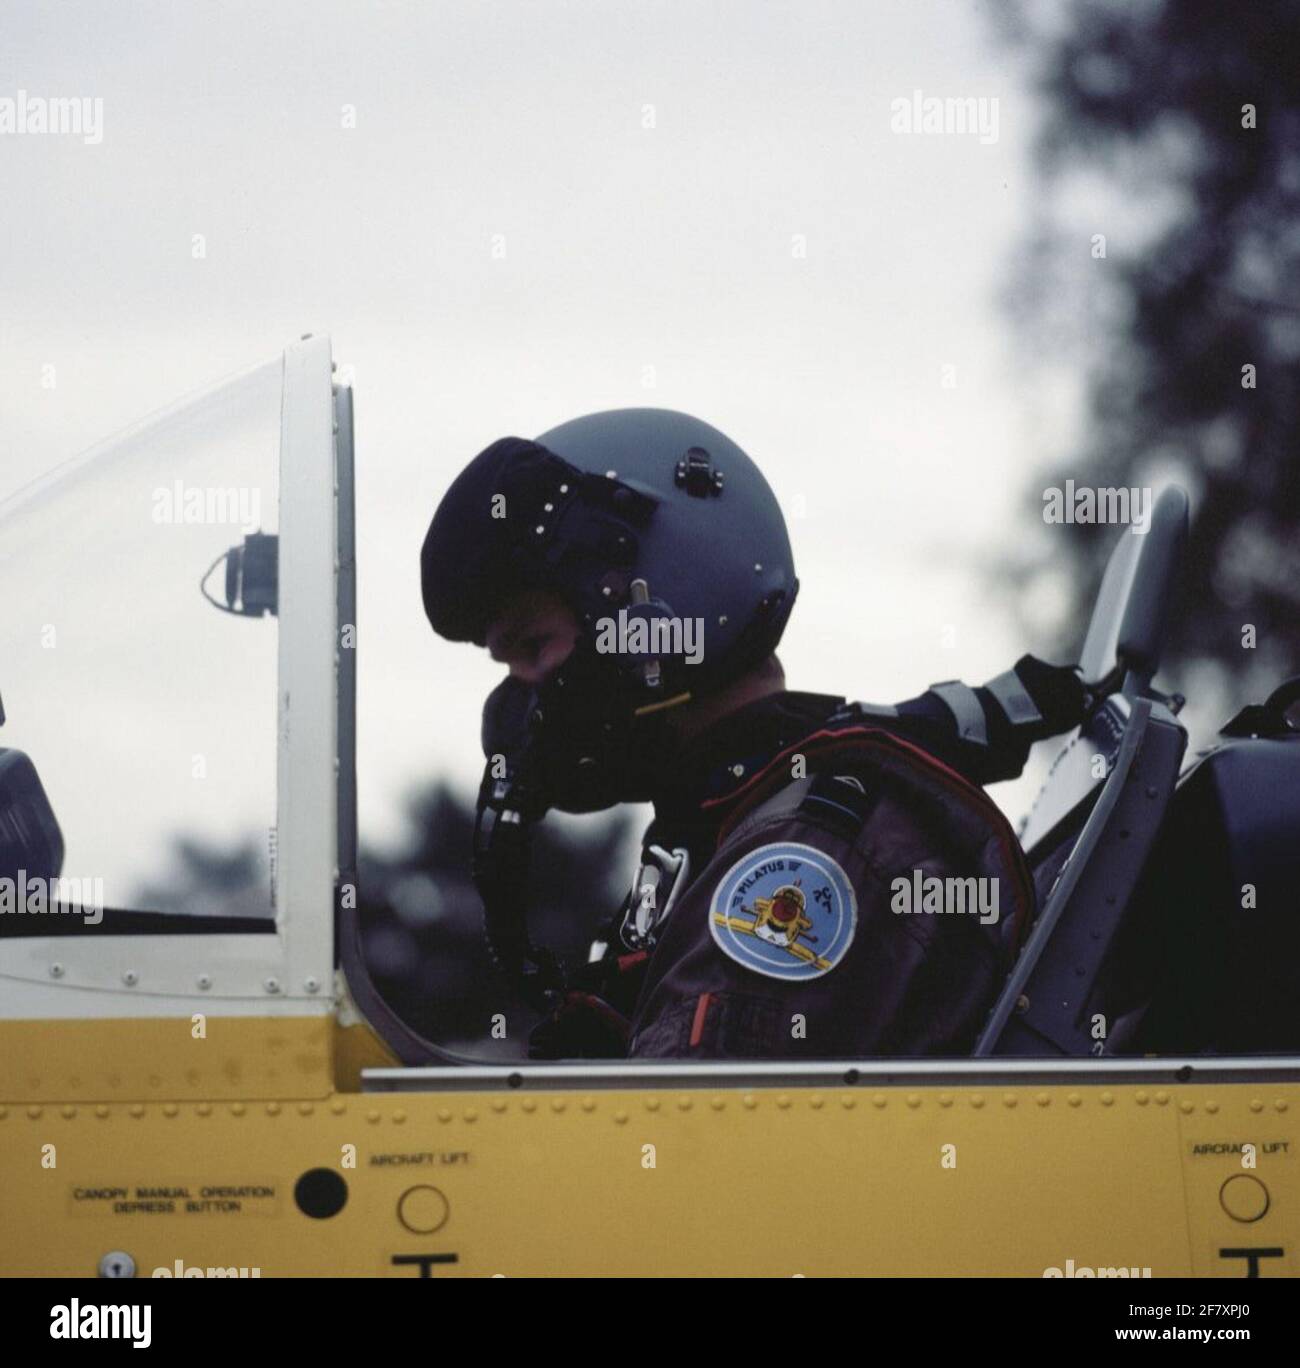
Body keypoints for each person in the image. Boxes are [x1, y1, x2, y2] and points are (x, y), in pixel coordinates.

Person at [420, 409, 1088, 1059]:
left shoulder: (800, 852)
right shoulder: (723, 830)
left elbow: (685, 1148)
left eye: (533, 645)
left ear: (661, 602)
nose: (519, 702)